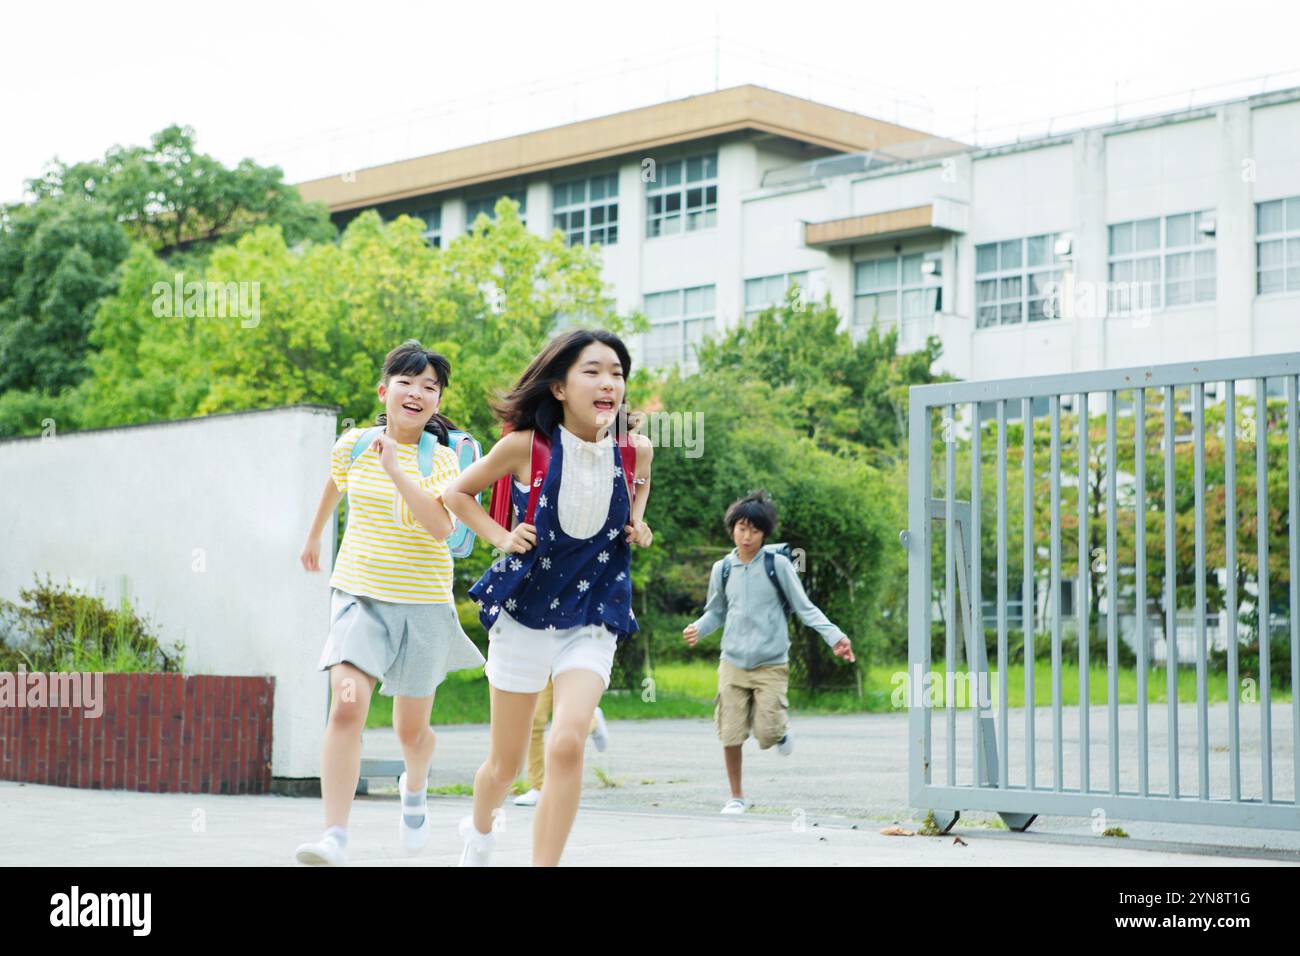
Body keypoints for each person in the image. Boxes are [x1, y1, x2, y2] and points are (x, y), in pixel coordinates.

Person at [443, 328, 653, 866]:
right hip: (525, 616)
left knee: (565, 744)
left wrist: (639, 524)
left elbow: (638, 492)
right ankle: (481, 829)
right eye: (593, 371)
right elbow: (455, 494)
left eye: (617, 373)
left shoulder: (634, 450)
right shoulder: (523, 448)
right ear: (558, 387)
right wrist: (500, 536)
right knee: (504, 766)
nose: (609, 383)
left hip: (593, 614)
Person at [294, 340, 485, 866]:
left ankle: (415, 785)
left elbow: (443, 526)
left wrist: (399, 470)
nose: (418, 392)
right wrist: (314, 537)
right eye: (407, 381)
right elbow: (335, 486)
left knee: (410, 730)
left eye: (430, 387)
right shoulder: (354, 445)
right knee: (348, 706)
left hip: (422, 605)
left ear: (437, 403)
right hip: (360, 597)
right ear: (385, 390)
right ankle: (334, 834)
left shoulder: (444, 461)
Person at [682, 491, 854, 814]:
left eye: (755, 531)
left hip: (771, 663)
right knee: (729, 731)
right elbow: (715, 612)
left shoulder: (778, 565)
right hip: (731, 662)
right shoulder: (723, 569)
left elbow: (805, 608)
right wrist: (698, 628)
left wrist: (836, 637)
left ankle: (780, 731)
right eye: (741, 528)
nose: (747, 536)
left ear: (764, 534)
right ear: (732, 528)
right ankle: (736, 796)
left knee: (767, 733)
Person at [515, 680, 609, 807]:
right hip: (543, 669)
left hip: (568, 667)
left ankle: (592, 721)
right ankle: (538, 787)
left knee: (566, 727)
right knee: (534, 720)